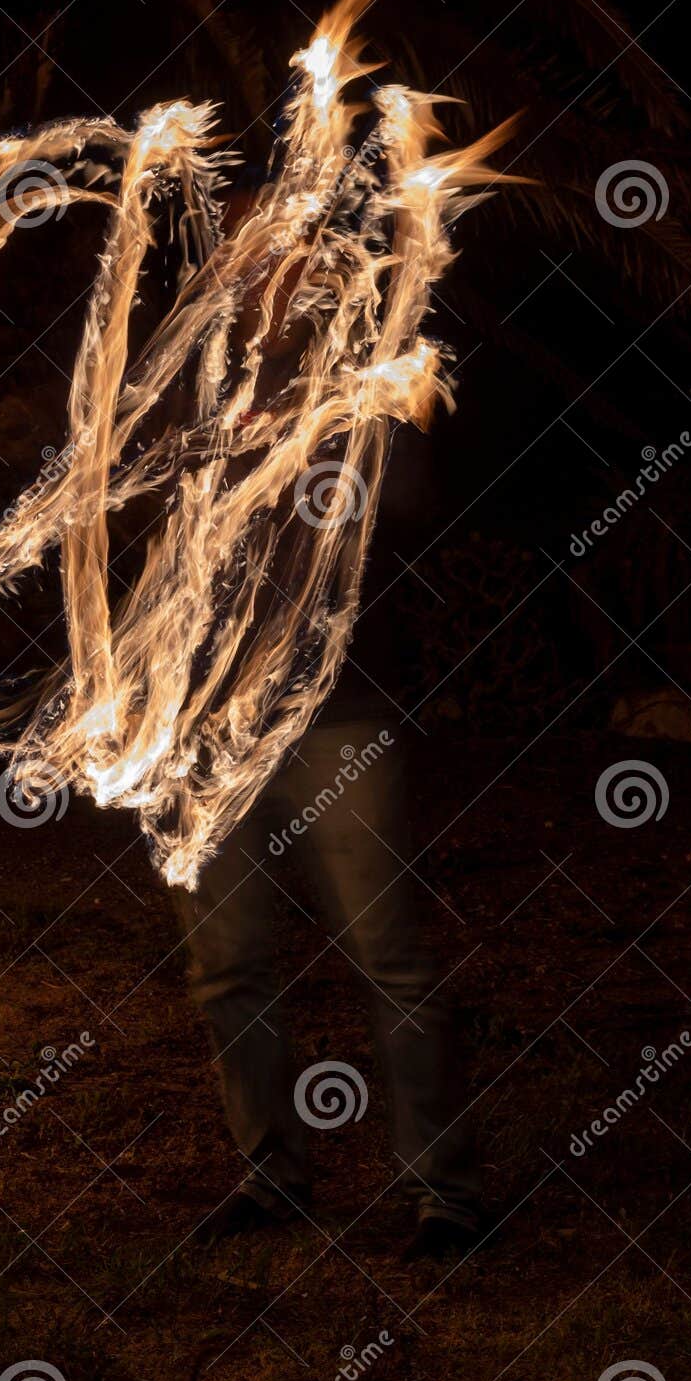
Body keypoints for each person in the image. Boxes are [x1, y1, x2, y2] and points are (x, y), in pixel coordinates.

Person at [176, 415, 483, 1260]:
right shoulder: (192, 383)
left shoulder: (365, 382)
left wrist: (355, 423)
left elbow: (413, 501)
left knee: (390, 958)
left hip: (338, 716)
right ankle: (270, 1174)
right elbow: (130, 516)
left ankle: (443, 1191)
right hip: (207, 725)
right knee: (227, 964)